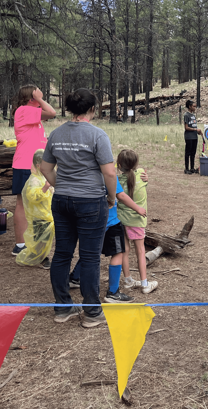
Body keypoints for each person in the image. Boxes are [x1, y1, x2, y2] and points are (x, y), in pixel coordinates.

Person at [40, 88, 145, 328]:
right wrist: (110, 198)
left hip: (62, 201)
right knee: (89, 257)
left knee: (62, 254)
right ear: (92, 110)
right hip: (90, 202)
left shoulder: (56, 134)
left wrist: (62, 186)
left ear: (70, 109)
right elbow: (109, 172)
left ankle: (62, 308)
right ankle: (91, 311)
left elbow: (46, 169)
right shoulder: (98, 135)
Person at [69, 188, 140, 303]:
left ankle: (74, 278)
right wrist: (138, 208)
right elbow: (120, 195)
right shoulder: (107, 172)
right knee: (118, 253)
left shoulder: (87, 174)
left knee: (90, 252)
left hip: (90, 219)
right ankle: (113, 293)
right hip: (110, 221)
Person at [11, 85, 56, 256]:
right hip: (25, 165)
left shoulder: (31, 113)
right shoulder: (24, 110)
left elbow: (49, 115)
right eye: (37, 94)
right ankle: (20, 245)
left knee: (37, 201)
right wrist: (40, 99)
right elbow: (52, 112)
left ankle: (33, 241)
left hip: (35, 166)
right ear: (31, 98)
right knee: (23, 202)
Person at [116, 149, 159, 294]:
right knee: (140, 251)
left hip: (121, 220)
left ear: (119, 164)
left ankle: (128, 281)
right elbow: (143, 182)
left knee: (124, 250)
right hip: (136, 221)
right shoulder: (140, 174)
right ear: (136, 164)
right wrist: (146, 178)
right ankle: (145, 284)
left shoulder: (116, 180)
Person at [15, 149, 55, 269]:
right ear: (39, 165)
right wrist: (45, 188)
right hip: (38, 217)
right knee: (40, 239)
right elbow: (32, 197)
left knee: (46, 238)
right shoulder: (34, 180)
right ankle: (41, 258)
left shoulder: (44, 177)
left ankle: (41, 255)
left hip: (46, 214)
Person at [183, 99, 202, 174]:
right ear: (190, 106)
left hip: (194, 137)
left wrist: (199, 132)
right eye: (194, 106)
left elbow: (194, 125)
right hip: (189, 137)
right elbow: (186, 127)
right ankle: (186, 168)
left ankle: (192, 168)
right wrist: (195, 129)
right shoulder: (186, 115)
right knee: (188, 153)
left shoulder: (193, 115)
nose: (195, 108)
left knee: (193, 153)